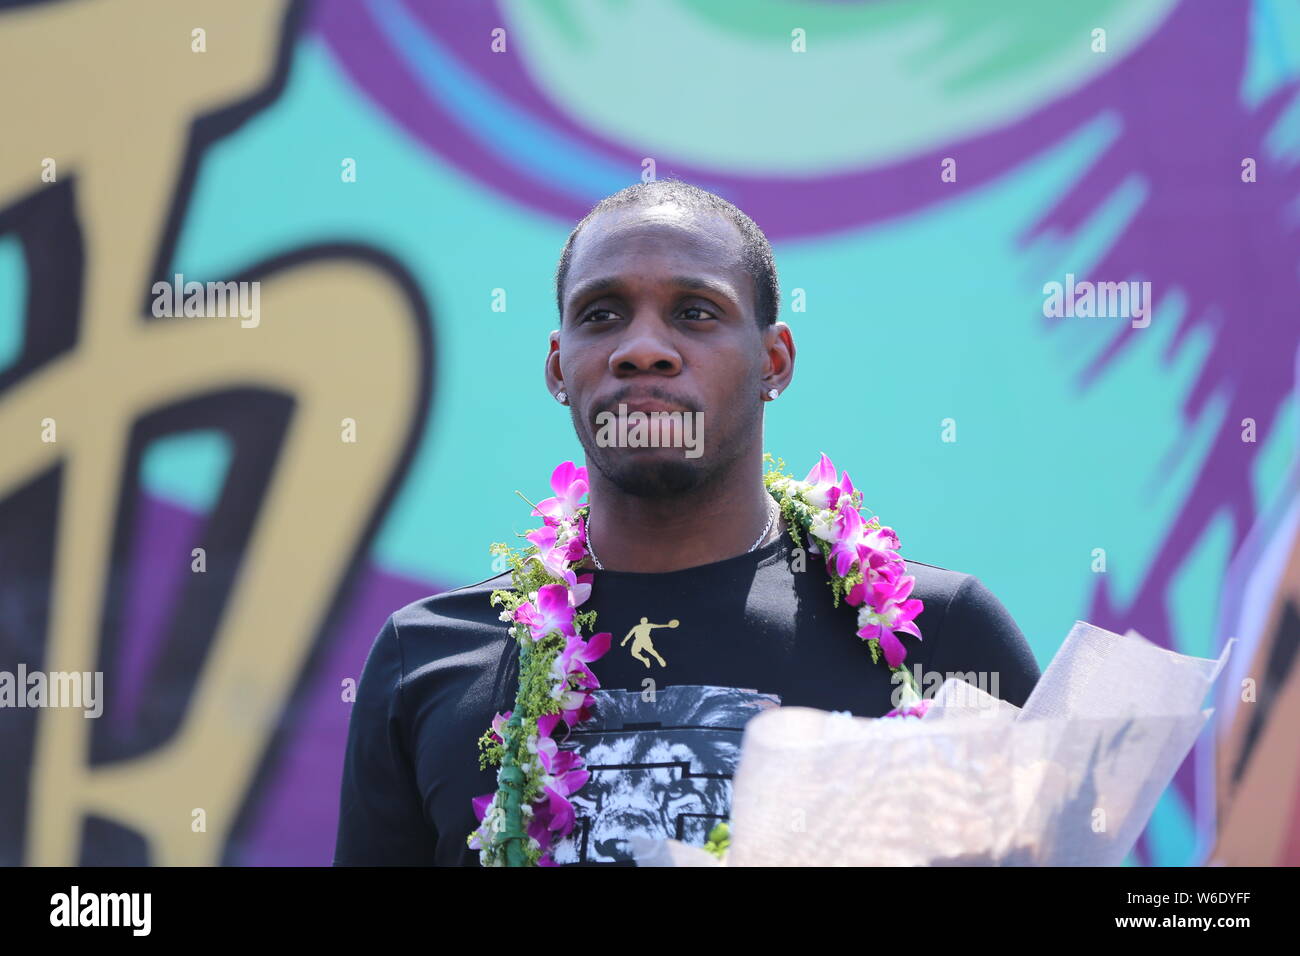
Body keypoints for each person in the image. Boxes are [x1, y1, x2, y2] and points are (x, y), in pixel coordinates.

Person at [333, 179, 1041, 866]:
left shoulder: (947, 644)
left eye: (696, 312)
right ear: (558, 368)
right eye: (601, 314)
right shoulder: (427, 661)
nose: (642, 348)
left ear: (774, 361)